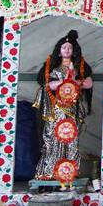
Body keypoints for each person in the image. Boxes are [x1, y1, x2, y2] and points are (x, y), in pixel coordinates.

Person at [33, 31, 93, 184]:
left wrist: (75, 81)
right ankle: (49, 171)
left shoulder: (80, 68)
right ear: (59, 51)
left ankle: (70, 173)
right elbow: (47, 85)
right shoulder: (52, 69)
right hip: (56, 110)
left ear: (74, 51)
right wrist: (63, 82)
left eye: (70, 48)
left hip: (73, 109)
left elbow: (89, 83)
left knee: (71, 139)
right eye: (64, 48)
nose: (67, 50)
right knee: (53, 138)